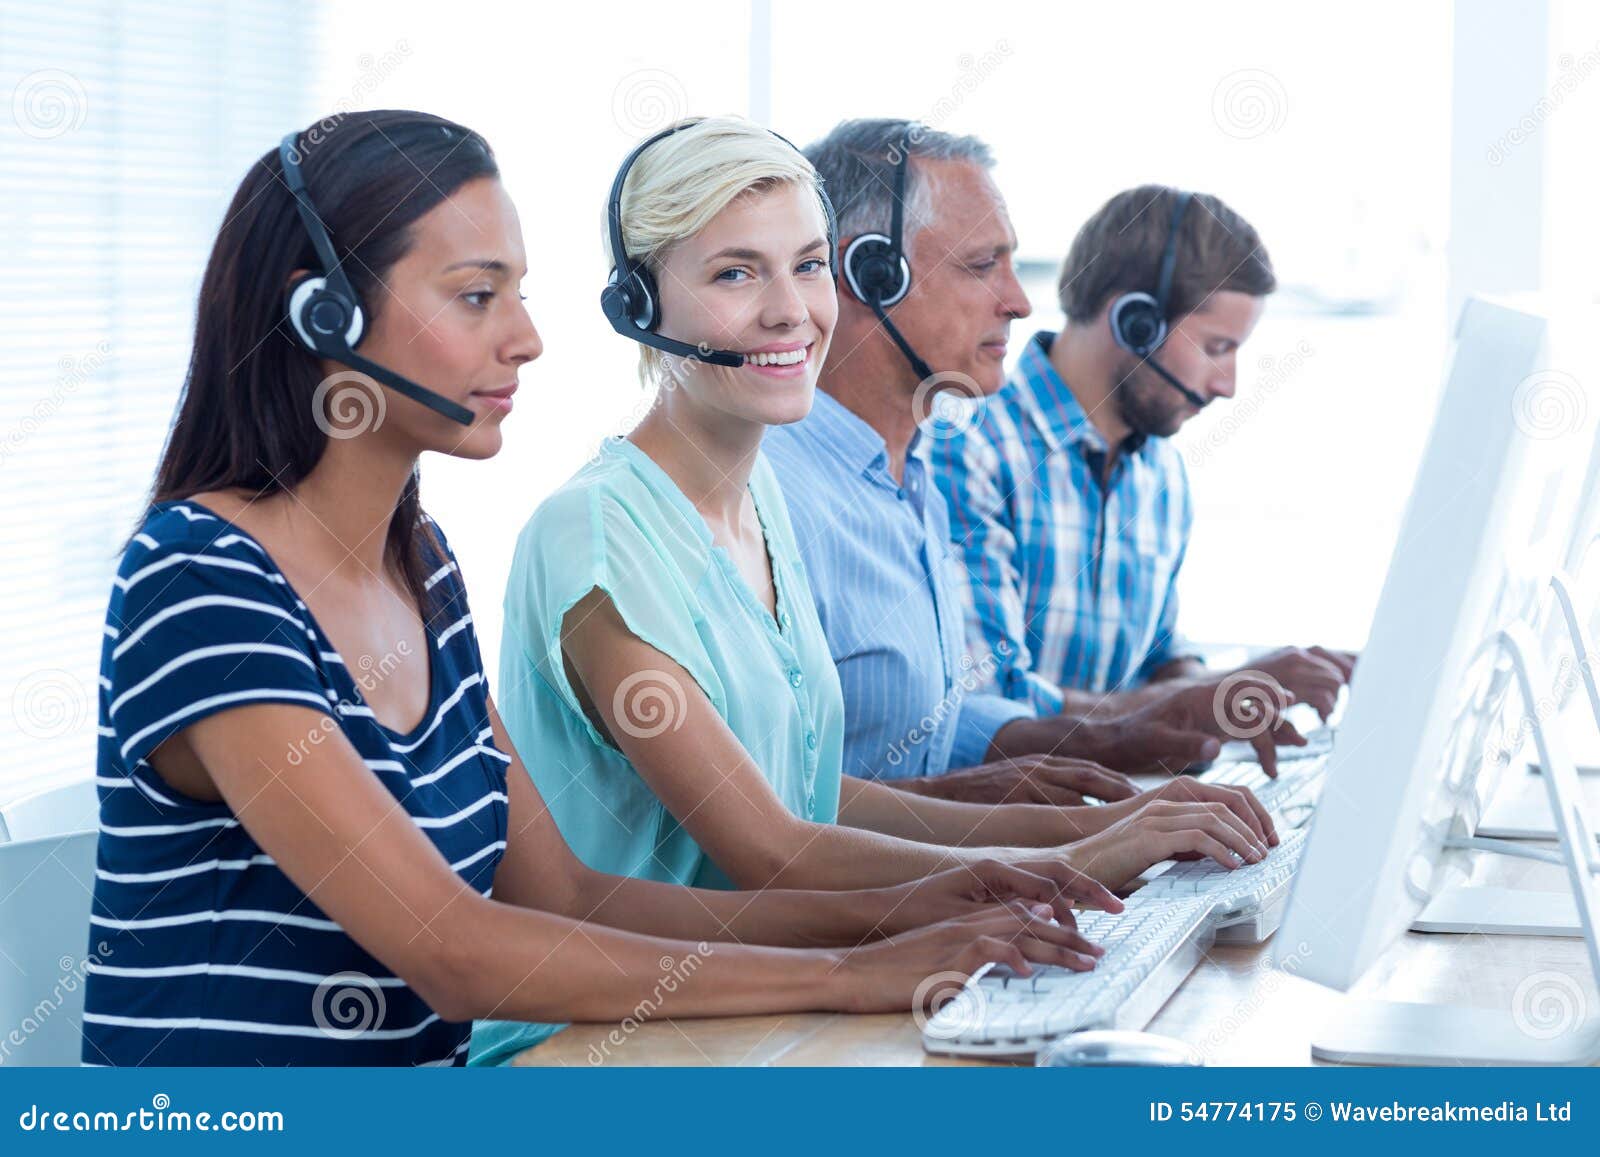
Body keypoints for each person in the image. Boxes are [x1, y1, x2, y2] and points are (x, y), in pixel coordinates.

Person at [84, 110, 1111, 1069]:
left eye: (519, 294)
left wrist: (927, 909)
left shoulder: (421, 567)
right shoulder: (202, 583)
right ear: (327, 313)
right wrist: (850, 968)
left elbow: (566, 892)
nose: (526, 338)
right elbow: (454, 948)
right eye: (477, 295)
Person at [482, 115, 1278, 1062]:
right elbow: (770, 848)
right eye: (737, 274)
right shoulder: (600, 533)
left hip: (757, 1011)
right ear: (638, 303)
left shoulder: (760, 498)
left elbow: (816, 797)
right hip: (603, 1040)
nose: (792, 310)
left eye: (808, 266)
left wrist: (1104, 825)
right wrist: (1061, 860)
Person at [765, 120, 1306, 801]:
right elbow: (780, 811)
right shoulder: (770, 495)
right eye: (982, 264)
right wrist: (1075, 829)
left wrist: (1124, 745)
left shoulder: (912, 477)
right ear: (870, 272)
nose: (1019, 300)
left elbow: (932, 730)